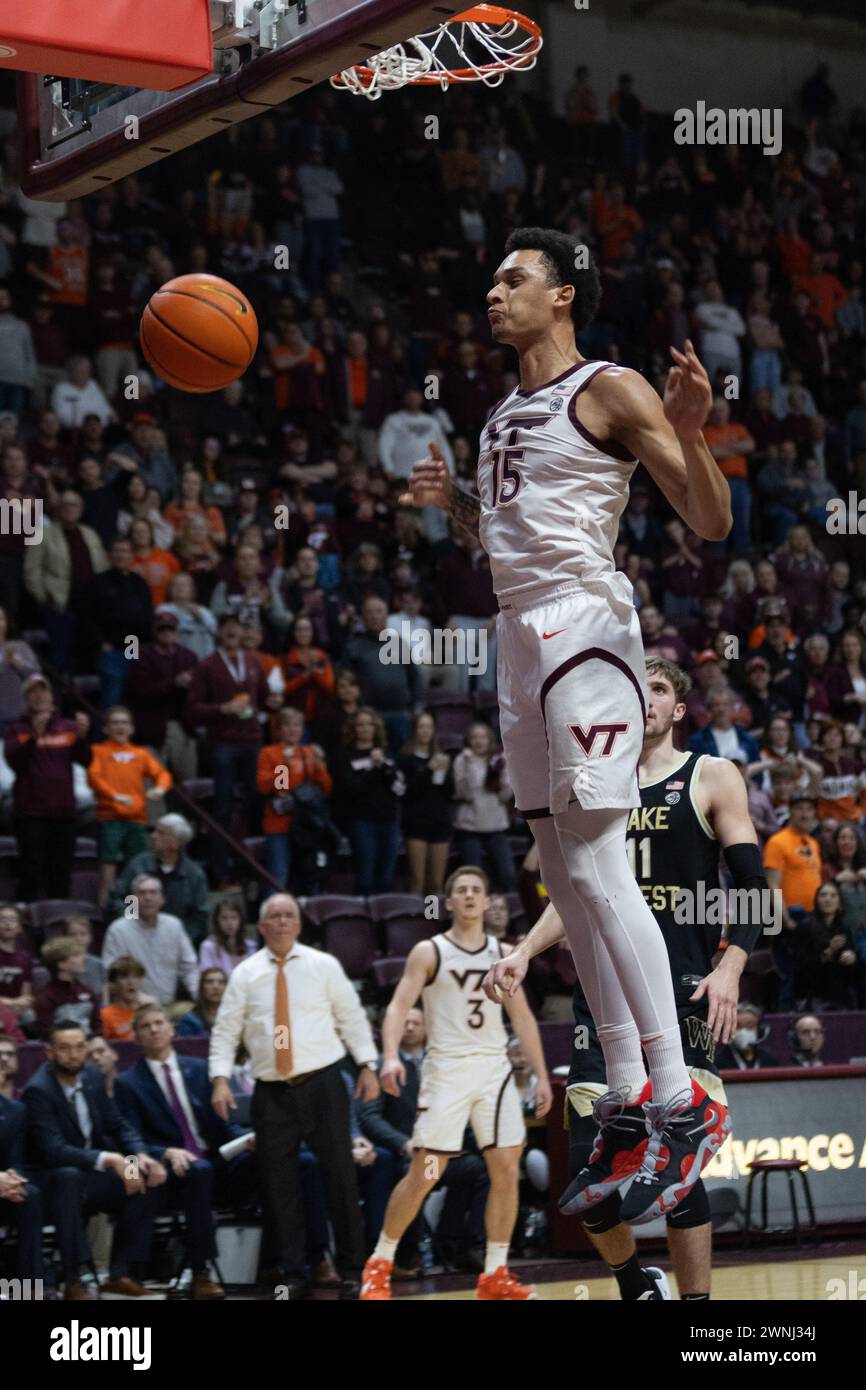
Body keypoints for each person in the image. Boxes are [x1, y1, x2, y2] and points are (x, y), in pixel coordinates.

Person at [399, 226, 732, 1225]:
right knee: (564, 875)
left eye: (515, 278)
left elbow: (708, 520)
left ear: (562, 298)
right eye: (494, 276)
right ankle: (628, 1098)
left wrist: (692, 430)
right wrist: (454, 502)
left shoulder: (611, 385)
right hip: (515, 638)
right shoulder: (502, 410)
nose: (493, 290)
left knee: (594, 868)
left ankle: (680, 1104)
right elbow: (511, 530)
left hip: (584, 626)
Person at [486, 656, 764, 1289]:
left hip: (681, 987)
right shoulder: (596, 781)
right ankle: (635, 1282)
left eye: (660, 690)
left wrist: (732, 965)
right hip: (602, 998)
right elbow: (569, 891)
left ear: (678, 708)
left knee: (675, 1168)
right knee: (594, 1168)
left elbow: (753, 883)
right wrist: (525, 950)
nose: (647, 700)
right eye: (639, 690)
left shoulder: (711, 774)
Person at [360, 866, 551, 1302]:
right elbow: (397, 1007)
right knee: (426, 1172)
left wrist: (541, 1075)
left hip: (494, 1070)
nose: (468, 896)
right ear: (448, 903)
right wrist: (389, 1056)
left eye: (475, 890)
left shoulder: (505, 953)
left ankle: (495, 1274)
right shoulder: (429, 951)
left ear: (487, 902)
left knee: (506, 1170)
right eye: (460, 891)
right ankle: (380, 1263)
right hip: (446, 1069)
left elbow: (522, 1019)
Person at [209, 893, 380, 1301]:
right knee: (279, 1186)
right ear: (262, 926)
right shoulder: (245, 973)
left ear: (299, 925)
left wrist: (368, 1064)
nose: (283, 922)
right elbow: (226, 1029)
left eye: (289, 915)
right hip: (271, 1092)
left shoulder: (324, 965)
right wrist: (218, 1078)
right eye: (274, 917)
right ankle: (293, 1271)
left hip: (324, 1083)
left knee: (339, 1176)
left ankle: (355, 1268)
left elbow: (351, 1016)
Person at [116, 1002, 257, 1299]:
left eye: (159, 1023)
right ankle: (200, 1271)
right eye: (145, 1026)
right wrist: (165, 1151)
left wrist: (249, 1139)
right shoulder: (127, 1083)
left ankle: (278, 1262)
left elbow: (227, 1125)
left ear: (172, 1029)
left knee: (274, 1162)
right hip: (173, 1172)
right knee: (198, 1171)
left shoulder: (202, 1070)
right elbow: (130, 1139)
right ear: (135, 1037)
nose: (154, 1029)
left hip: (217, 1159)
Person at [23, 1021, 165, 1299]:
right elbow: (53, 1150)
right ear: (49, 1052)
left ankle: (121, 1273)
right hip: (50, 1179)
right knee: (68, 1177)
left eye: (79, 1047)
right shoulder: (38, 1090)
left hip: (92, 1173)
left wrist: (141, 1155)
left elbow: (117, 1124)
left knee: (144, 1175)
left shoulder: (92, 1078)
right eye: (64, 1048)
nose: (73, 1054)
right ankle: (75, 1278)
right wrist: (111, 1159)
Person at [359, 1005, 489, 1276]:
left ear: (428, 1027)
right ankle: (408, 1254)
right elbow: (370, 1117)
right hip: (407, 1156)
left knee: (479, 1169)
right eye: (403, 1022)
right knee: (412, 1176)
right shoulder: (382, 1066)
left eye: (415, 1022)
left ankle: (460, 1244)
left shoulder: (444, 1062)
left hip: (443, 1152)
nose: (409, 1027)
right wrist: (402, 1142)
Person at [187, 614, 271, 884]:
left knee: (258, 803)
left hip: (252, 739)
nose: (233, 630)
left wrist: (275, 701)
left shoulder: (254, 660)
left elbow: (266, 698)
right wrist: (222, 708)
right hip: (223, 742)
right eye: (227, 627)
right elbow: (192, 709)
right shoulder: (207, 665)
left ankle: (254, 870)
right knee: (222, 808)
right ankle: (221, 871)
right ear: (219, 633)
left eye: (238, 626)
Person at [4, 673, 90, 900]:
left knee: (61, 874)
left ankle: (59, 923)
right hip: (31, 813)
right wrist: (34, 736)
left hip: (64, 812)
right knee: (31, 872)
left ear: (52, 696)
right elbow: (16, 762)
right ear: (25, 698)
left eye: (44, 690)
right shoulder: (16, 729)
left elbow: (86, 760)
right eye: (33, 691)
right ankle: (27, 926)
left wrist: (82, 738)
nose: (40, 695)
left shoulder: (68, 726)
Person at [88, 706, 172, 908]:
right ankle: (105, 914)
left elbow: (162, 774)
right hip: (109, 818)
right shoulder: (98, 751)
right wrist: (113, 795)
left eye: (124, 722)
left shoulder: (140, 754)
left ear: (132, 728)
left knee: (135, 872)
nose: (120, 727)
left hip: (136, 819)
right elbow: (94, 777)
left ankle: (131, 913)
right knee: (108, 869)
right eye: (115, 722)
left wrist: (160, 789)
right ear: (106, 728)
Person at [256, 707, 333, 894]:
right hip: (279, 825)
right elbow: (274, 788)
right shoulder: (268, 753)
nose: (293, 730)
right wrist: (284, 764)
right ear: (279, 729)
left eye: (297, 725)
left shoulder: (309, 752)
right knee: (279, 875)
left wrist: (319, 764)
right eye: (288, 725)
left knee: (308, 874)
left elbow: (325, 788)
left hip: (307, 825)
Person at [111, 814, 210, 948]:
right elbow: (122, 897)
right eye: (155, 831)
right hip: (136, 940)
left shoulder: (194, 874)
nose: (153, 836)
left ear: (176, 842)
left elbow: (199, 916)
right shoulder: (138, 865)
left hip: (176, 943)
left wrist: (179, 937)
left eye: (161, 833)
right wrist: (134, 925)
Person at [102, 874, 198, 1009]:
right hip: (132, 1007)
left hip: (169, 1005)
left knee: (190, 1014)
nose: (148, 898)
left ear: (162, 899)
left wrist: (200, 999)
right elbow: (111, 975)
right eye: (142, 893)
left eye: (153, 893)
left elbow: (189, 968)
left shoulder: (174, 925)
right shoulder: (118, 929)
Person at [124, 610, 199, 782]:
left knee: (188, 783)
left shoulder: (189, 656)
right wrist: (174, 683)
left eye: (171, 628)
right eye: (161, 628)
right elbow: (137, 693)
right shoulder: (139, 654)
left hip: (183, 726)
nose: (166, 632)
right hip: (151, 726)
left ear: (177, 631)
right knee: (154, 784)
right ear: (154, 631)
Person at [452, 722, 517, 892]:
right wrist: (467, 765)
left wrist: (504, 775)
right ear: (468, 741)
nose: (478, 741)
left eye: (482, 737)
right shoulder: (461, 760)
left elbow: (505, 796)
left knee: (508, 875)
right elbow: (463, 794)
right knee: (474, 878)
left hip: (495, 827)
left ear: (489, 740)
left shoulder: (499, 760)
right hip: (470, 828)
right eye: (474, 737)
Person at [397, 712, 454, 896]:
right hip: (416, 823)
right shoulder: (405, 759)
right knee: (417, 880)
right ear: (414, 730)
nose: (425, 731)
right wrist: (428, 769)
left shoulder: (441, 758)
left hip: (439, 822)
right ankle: (414, 923)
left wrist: (444, 773)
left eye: (429, 726)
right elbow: (408, 791)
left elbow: (448, 793)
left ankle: (432, 921)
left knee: (436, 883)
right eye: (421, 726)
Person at [0, 1084, 44, 1284]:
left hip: (4, 1191)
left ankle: (28, 1288)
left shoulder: (15, 1110)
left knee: (29, 1195)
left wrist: (11, 1180)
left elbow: (16, 1160)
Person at [35, 938, 101, 1040]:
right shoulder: (45, 997)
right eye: (76, 956)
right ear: (62, 964)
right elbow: (47, 1032)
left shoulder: (87, 991)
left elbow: (97, 1025)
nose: (83, 959)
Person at [199, 898, 257, 976]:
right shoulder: (208, 947)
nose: (230, 923)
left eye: (234, 918)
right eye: (224, 918)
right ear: (217, 921)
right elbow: (207, 977)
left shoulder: (251, 946)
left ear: (241, 920)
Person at [0, 903, 34, 1029]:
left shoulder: (25, 958)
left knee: (29, 1016)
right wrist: (11, 1003)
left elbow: (26, 994)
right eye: (2, 920)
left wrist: (21, 1004)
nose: (7, 924)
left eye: (12, 920)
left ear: (19, 927)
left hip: (16, 1008)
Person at [715, 1003, 780, 1070]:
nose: (743, 1031)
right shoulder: (716, 1062)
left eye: (749, 1026)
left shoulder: (769, 1060)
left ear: (760, 1030)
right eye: (738, 1027)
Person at [101, 956, 150, 1041]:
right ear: (113, 984)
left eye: (136, 976)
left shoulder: (149, 1011)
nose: (131, 982)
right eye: (124, 977)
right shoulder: (105, 1016)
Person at [176, 968, 228, 1037]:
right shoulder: (188, 1020)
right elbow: (185, 1046)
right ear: (202, 987)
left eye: (221, 982)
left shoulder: (236, 1017)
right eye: (209, 982)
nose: (216, 986)